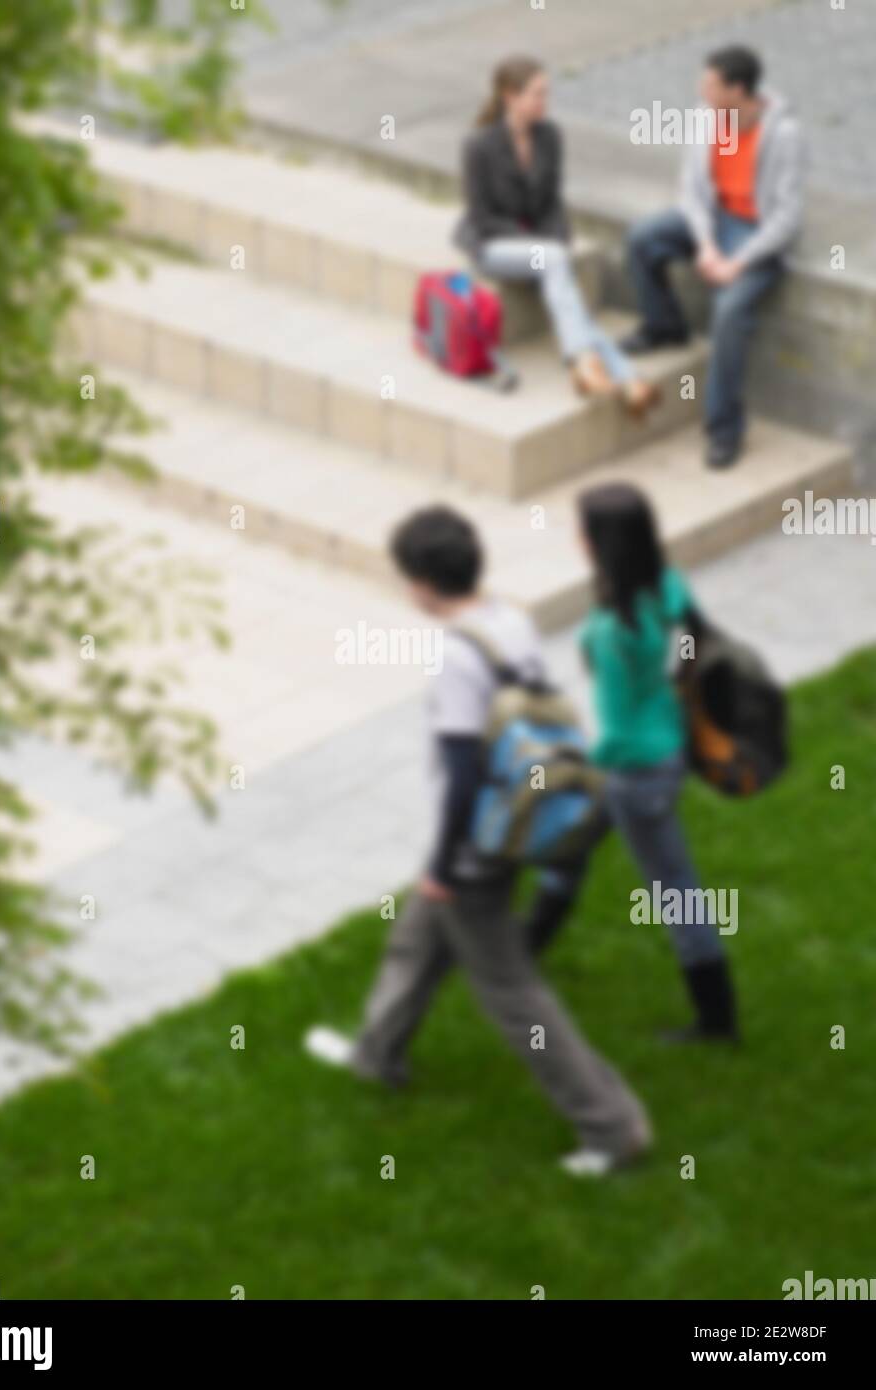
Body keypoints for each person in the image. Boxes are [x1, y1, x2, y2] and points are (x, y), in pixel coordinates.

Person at [306, 506, 651, 1177]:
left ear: (426, 583)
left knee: (512, 993)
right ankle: (376, 1057)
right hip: (510, 825)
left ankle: (611, 1129)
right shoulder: (509, 621)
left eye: (407, 578)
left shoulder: (456, 658)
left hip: (472, 852)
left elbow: (462, 775)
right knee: (413, 944)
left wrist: (442, 867)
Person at [577, 482, 738, 1042]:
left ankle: (717, 1020)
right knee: (574, 837)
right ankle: (530, 938)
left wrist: (587, 757)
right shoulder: (665, 585)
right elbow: (693, 633)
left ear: (596, 544)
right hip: (667, 744)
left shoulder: (607, 632)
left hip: (637, 773)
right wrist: (676, 681)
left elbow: (617, 729)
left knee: (677, 895)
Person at [622, 45, 807, 470]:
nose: (700, 89)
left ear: (737, 90)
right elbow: (692, 192)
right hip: (714, 219)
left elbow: (787, 219)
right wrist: (706, 245)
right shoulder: (708, 118)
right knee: (643, 238)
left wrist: (737, 263)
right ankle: (664, 327)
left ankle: (724, 428)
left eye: (709, 83)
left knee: (729, 311)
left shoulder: (784, 135)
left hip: (757, 234)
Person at [455, 56, 661, 418]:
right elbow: (481, 219)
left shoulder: (549, 136)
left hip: (539, 248)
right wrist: (538, 244)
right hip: (492, 245)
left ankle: (628, 379)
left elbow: (552, 203)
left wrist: (555, 239)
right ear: (510, 96)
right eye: (537, 94)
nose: (544, 102)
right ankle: (581, 362)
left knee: (565, 290)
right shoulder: (479, 146)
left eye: (546, 93)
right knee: (553, 260)